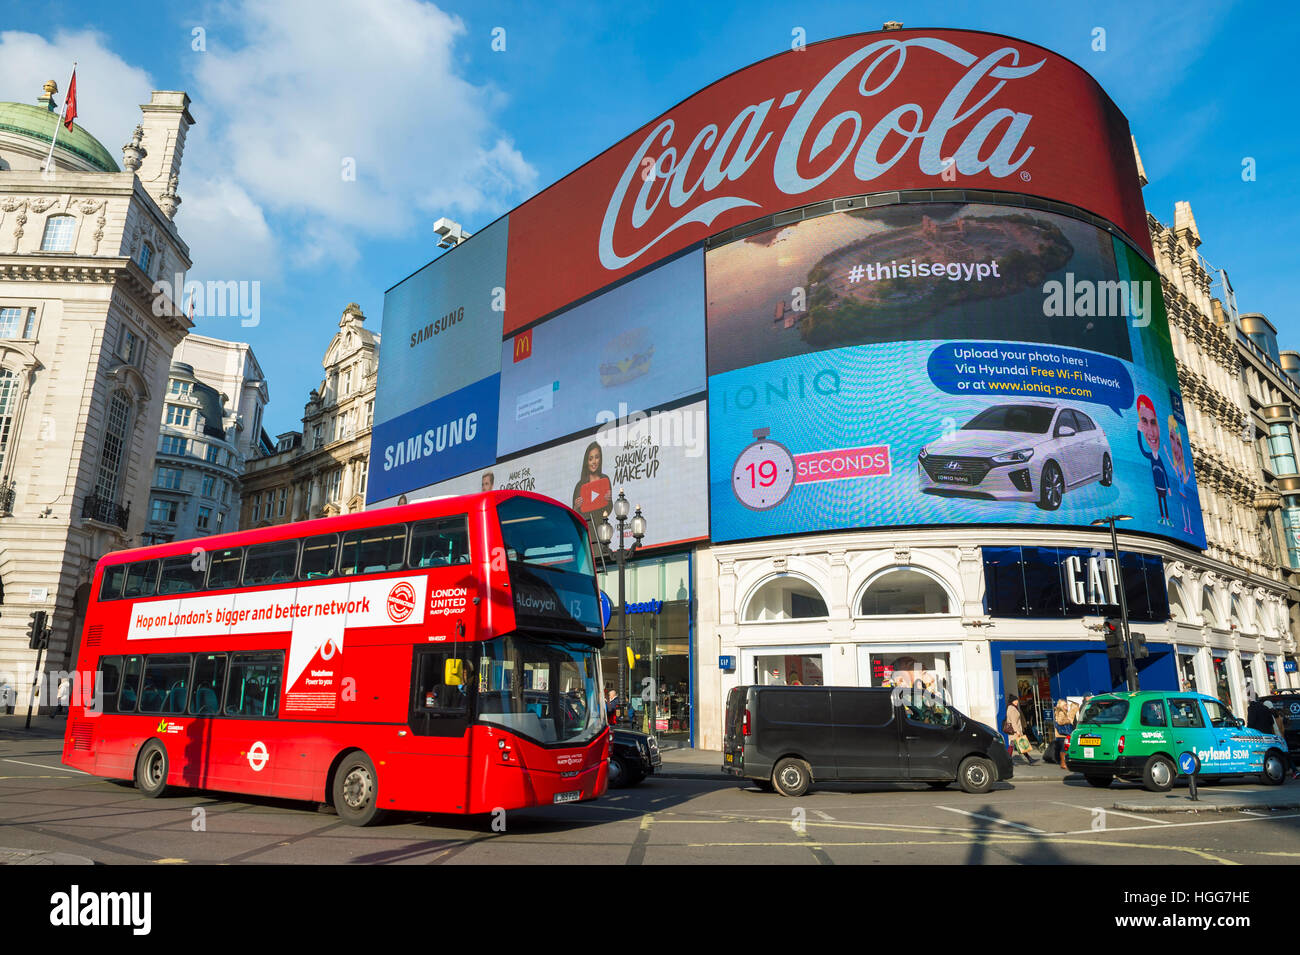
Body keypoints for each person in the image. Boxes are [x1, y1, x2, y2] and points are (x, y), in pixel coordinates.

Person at [1136, 395, 1171, 525]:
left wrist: (1169, 487)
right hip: (1157, 486)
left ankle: (1167, 518)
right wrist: (1138, 432)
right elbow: (1142, 449)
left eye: (1153, 422)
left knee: (1164, 501)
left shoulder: (1159, 458)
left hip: (1162, 486)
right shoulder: (1150, 456)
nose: (1150, 431)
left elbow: (1165, 473)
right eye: (1144, 422)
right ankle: (1163, 517)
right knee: (1160, 501)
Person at [571, 442, 612, 523]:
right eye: (590, 459)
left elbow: (609, 509)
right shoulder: (580, 486)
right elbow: (574, 517)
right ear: (586, 462)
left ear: (600, 459)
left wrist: (609, 501)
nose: (594, 462)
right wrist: (576, 507)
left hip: (602, 528)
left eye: (597, 457)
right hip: (587, 528)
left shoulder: (605, 479)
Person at [1005, 695, 1035, 764]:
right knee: (1020, 744)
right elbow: (1013, 721)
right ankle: (1029, 759)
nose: (1017, 702)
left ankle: (1029, 759)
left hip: (1014, 731)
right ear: (1012, 701)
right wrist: (1017, 731)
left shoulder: (1012, 708)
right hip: (1015, 731)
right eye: (1015, 700)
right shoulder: (1012, 709)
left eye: (1017, 700)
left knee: (1017, 745)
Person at [1051, 697, 1075, 769]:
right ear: (1061, 706)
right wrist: (1069, 720)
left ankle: (1064, 763)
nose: (1067, 706)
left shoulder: (1062, 712)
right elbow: (1060, 722)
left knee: (1064, 748)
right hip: (1062, 734)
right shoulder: (1061, 712)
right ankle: (1063, 763)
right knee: (1064, 748)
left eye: (1066, 705)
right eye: (1065, 705)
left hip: (1062, 735)